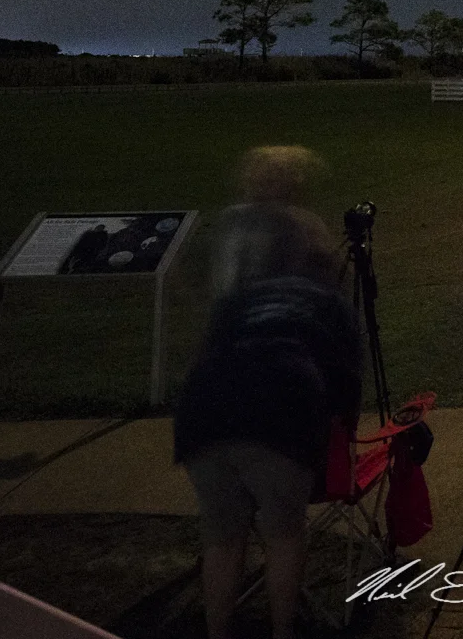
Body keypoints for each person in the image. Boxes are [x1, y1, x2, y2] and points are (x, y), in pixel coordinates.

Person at [174, 145, 361, 639]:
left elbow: (205, 346)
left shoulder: (235, 302)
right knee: (283, 532)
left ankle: (219, 631)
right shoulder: (323, 302)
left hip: (204, 417)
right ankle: (282, 631)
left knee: (220, 536)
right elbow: (345, 383)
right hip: (276, 413)